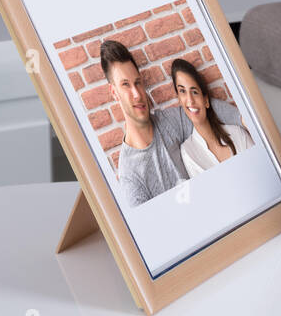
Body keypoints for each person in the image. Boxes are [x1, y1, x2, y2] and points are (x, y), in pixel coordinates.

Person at [101, 39, 242, 207]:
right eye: (125, 85)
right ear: (114, 92)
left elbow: (203, 110)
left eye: (138, 82)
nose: (137, 94)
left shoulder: (167, 121)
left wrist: (243, 119)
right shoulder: (130, 175)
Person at [171, 58, 254, 176]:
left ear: (206, 101)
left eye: (194, 92)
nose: (190, 100)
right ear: (179, 99)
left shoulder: (238, 134)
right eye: (182, 91)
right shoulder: (188, 153)